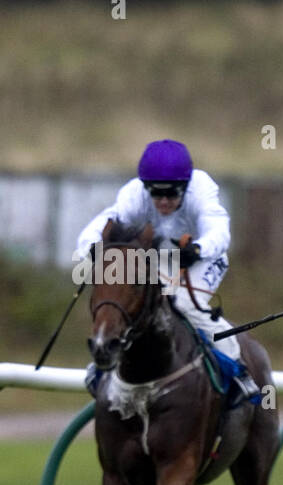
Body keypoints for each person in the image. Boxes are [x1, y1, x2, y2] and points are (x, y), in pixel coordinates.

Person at [75, 139, 257, 400]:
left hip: (203, 258)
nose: (163, 201)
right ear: (145, 188)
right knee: (130, 302)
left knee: (184, 304)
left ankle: (237, 369)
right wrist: (92, 249)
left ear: (185, 186)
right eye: (156, 193)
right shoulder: (133, 195)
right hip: (160, 259)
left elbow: (219, 231)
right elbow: (100, 227)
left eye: (171, 193)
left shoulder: (201, 189)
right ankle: (105, 364)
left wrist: (197, 249)